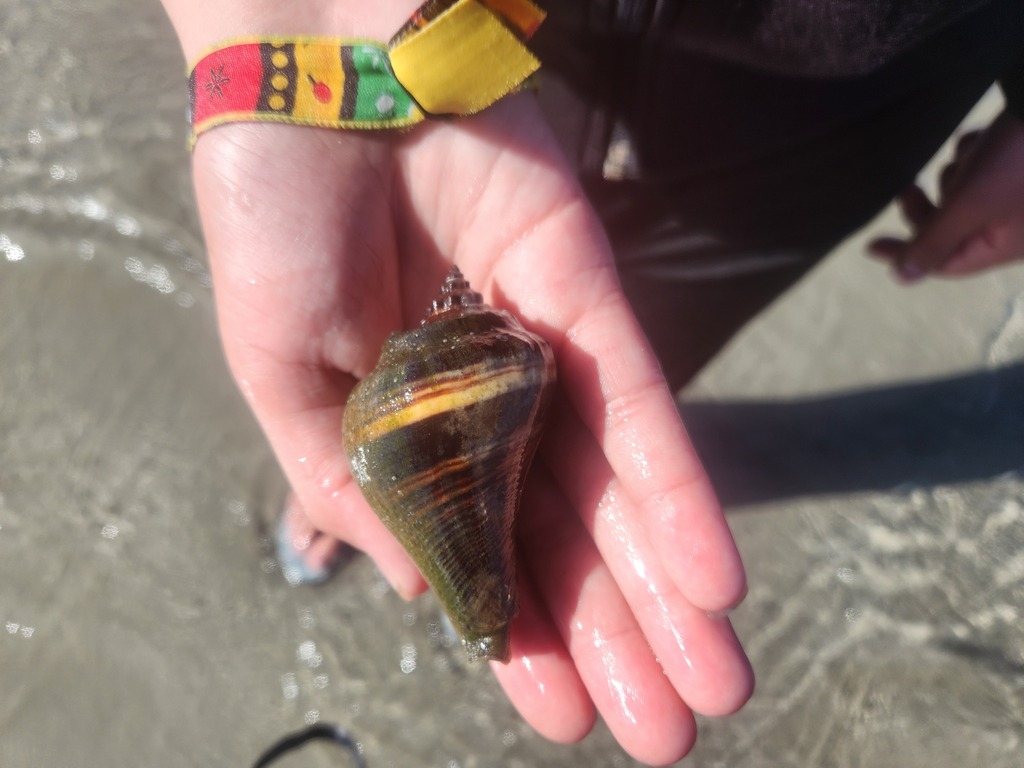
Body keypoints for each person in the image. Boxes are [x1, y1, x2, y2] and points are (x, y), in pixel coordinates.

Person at [159, 0, 1024, 764]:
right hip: (494, 50)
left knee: (640, 357)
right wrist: (286, 21)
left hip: (835, 116)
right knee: (475, 395)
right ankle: (344, 506)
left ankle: (357, 509)